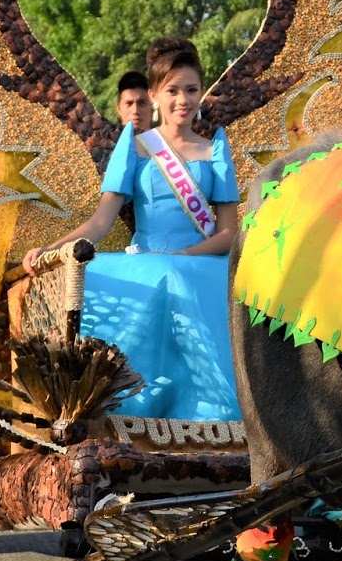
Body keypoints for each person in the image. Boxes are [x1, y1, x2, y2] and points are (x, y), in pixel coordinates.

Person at [22, 37, 239, 422]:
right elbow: (101, 222)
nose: (183, 100)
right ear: (154, 95)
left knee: (178, 277)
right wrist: (50, 251)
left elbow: (227, 234)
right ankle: (126, 408)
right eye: (172, 90)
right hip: (147, 262)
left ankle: (209, 414)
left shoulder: (215, 149)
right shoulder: (137, 146)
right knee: (95, 278)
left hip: (200, 264)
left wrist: (183, 258)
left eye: (191, 89)